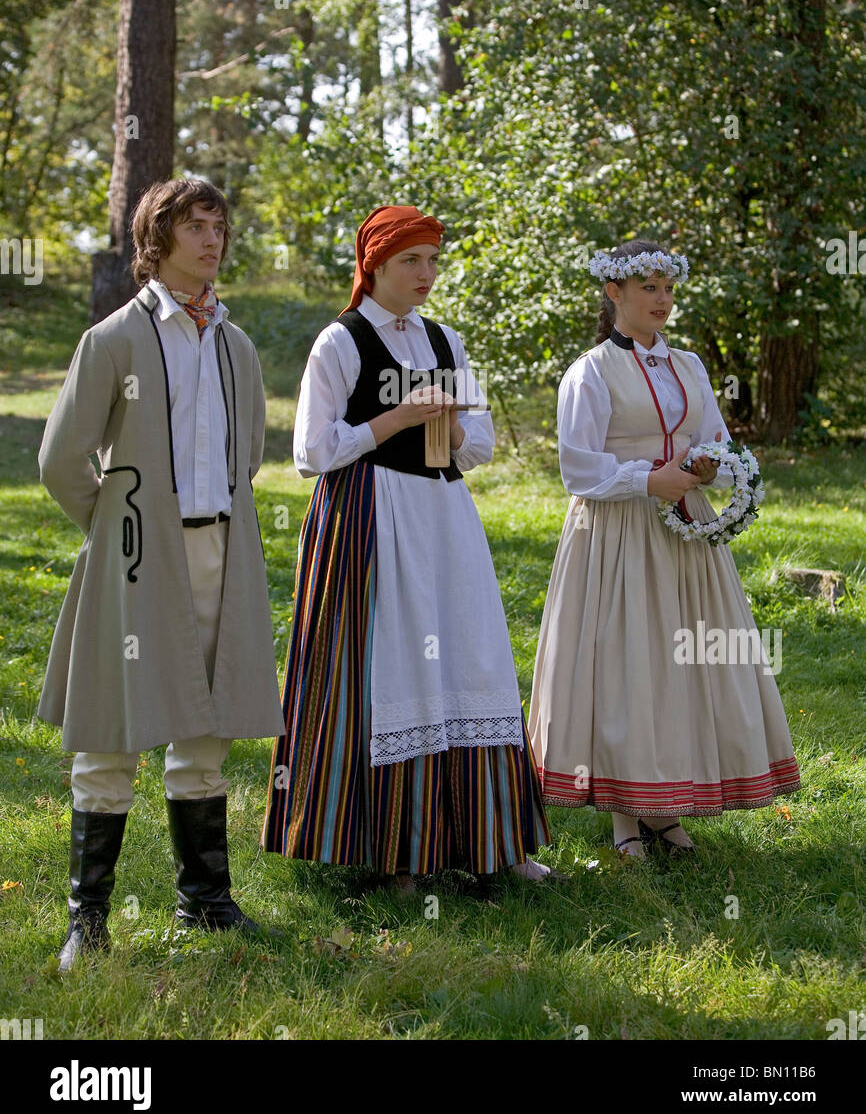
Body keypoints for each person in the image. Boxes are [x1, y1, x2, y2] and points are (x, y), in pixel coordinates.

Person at [262, 205, 551, 888]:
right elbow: (311, 451)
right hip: (366, 517)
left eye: (431, 260)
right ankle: (397, 853)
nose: (425, 274)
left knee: (466, 658)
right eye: (409, 262)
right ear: (375, 266)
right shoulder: (340, 342)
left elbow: (477, 447)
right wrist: (397, 416)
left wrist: (447, 425)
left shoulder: (446, 340)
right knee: (390, 668)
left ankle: (490, 844)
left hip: (442, 517)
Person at [38, 177, 285, 969]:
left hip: (221, 549)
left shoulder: (236, 346)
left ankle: (205, 903)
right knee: (111, 735)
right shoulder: (112, 340)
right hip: (141, 558)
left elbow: (245, 459)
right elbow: (60, 459)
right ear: (157, 237)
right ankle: (90, 921)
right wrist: (118, 533)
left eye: (219, 226)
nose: (212, 241)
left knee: (204, 728)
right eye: (194, 226)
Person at [528, 238, 800, 859]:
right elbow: (577, 466)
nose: (662, 299)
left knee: (681, 665)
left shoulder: (691, 366)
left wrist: (708, 468)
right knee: (631, 663)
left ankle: (667, 814)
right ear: (614, 292)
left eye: (668, 288)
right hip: (618, 533)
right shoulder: (591, 371)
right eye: (648, 287)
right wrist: (648, 479)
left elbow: (714, 439)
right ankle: (628, 816)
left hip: (685, 533)